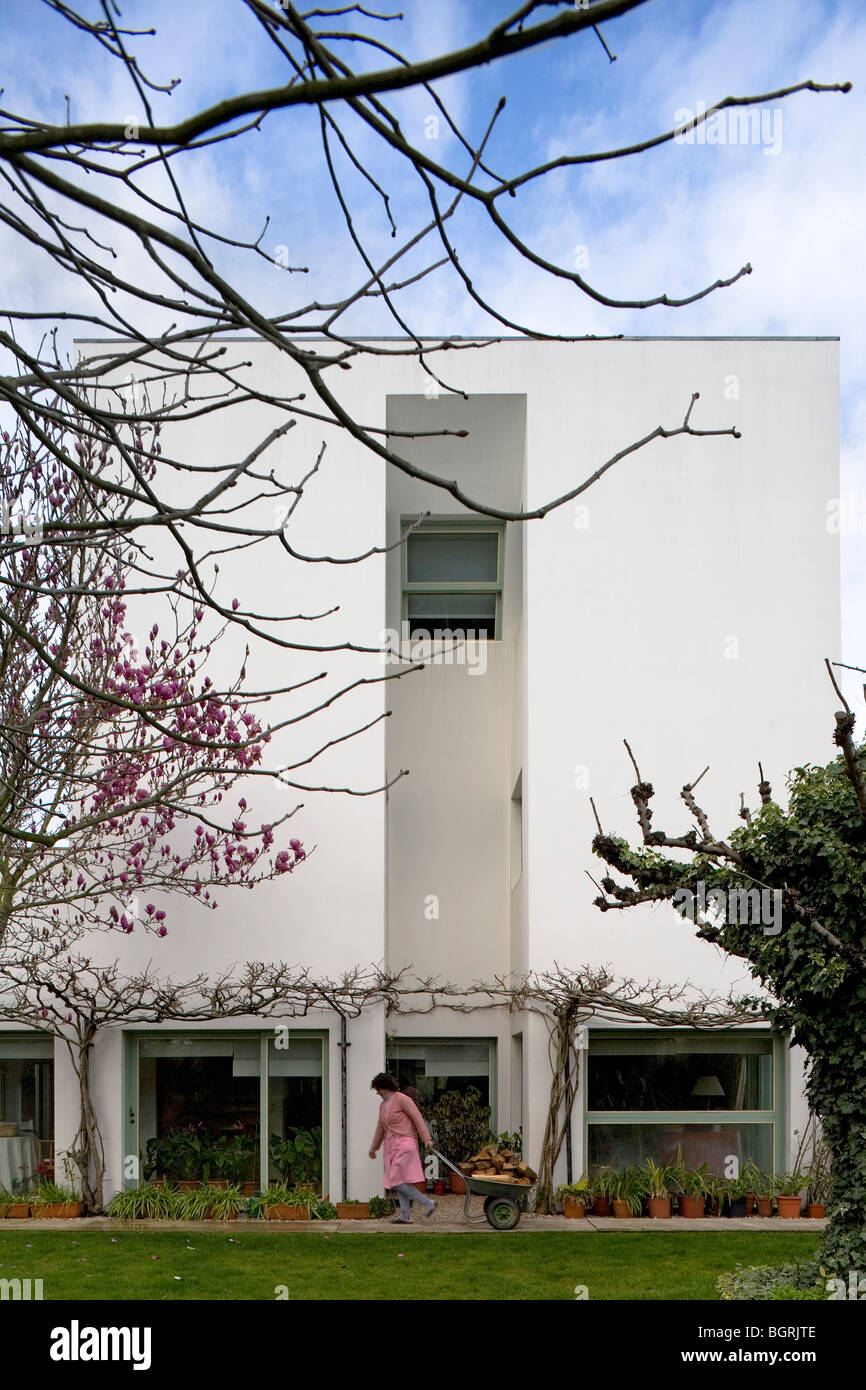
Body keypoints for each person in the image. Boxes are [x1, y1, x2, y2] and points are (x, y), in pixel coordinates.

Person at [369, 1072, 436, 1224]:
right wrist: (374, 1148)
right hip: (392, 1146)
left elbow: (417, 1118)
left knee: (396, 1181)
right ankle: (405, 1216)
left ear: (386, 1088)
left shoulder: (402, 1099)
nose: (377, 1093)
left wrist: (426, 1138)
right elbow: (380, 1128)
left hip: (405, 1144)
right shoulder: (383, 1105)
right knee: (400, 1179)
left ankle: (428, 1203)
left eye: (378, 1089)